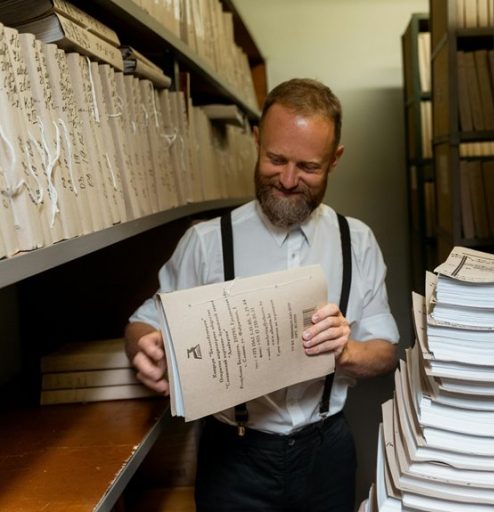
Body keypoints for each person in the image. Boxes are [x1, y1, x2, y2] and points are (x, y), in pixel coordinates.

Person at [125, 78, 400, 511]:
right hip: (233, 457)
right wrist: (146, 348)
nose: (288, 180)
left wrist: (345, 352)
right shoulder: (207, 242)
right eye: (275, 159)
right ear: (257, 141)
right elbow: (144, 322)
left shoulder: (357, 241)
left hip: (326, 452)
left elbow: (385, 352)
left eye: (308, 167)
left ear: (335, 160)